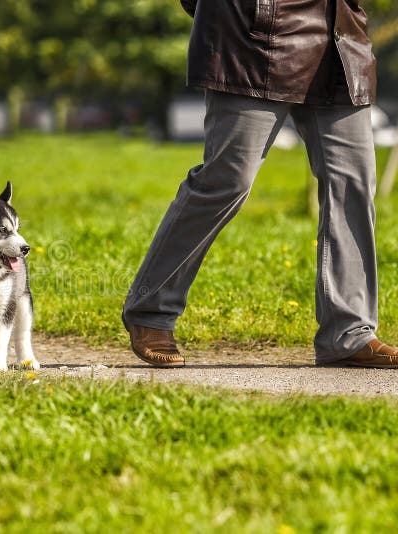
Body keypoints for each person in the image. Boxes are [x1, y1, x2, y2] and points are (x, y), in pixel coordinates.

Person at [123, 0, 398, 368]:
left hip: (340, 39)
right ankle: (150, 311)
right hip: (253, 39)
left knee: (354, 183)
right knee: (227, 181)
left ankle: (348, 334)